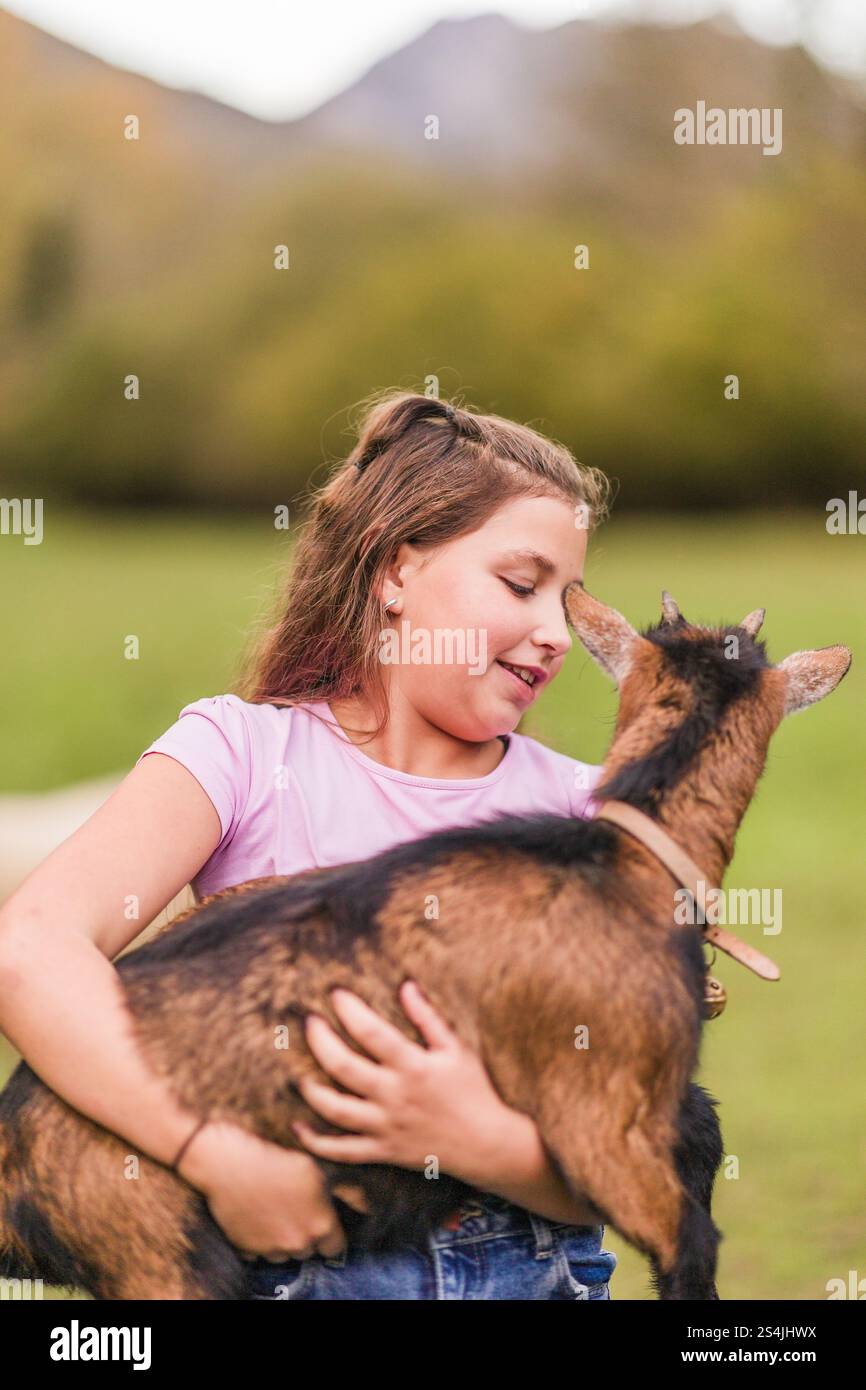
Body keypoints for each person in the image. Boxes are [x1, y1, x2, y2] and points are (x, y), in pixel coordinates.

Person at [0, 389, 618, 1300]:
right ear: (395, 573)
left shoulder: (584, 813)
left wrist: (465, 1134)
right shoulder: (244, 756)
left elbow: (627, 1151)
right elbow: (32, 949)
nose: (555, 634)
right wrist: (210, 1155)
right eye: (521, 587)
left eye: (568, 602)